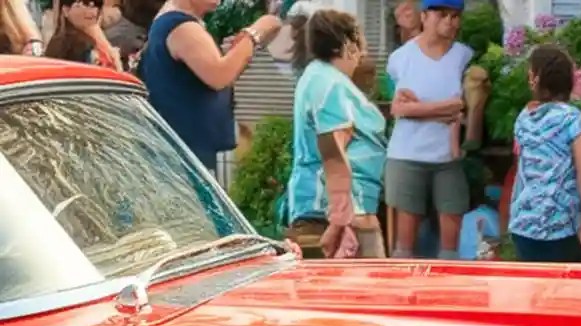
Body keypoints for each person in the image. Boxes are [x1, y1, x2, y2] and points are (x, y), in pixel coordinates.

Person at [283, 8, 388, 259]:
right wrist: (339, 222)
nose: (363, 53)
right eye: (359, 43)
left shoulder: (323, 79)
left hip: (346, 212)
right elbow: (333, 151)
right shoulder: (328, 84)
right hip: (333, 217)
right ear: (345, 43)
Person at [140, 0, 283, 171]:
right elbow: (220, 75)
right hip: (184, 154)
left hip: (181, 149)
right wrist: (254, 33)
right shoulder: (181, 26)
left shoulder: (174, 22)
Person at [385, 0, 471, 259]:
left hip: (447, 158)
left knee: (450, 246)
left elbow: (461, 106)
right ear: (424, 16)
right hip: (407, 155)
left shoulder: (463, 55)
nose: (449, 21)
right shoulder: (401, 58)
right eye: (442, 15)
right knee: (404, 247)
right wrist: (444, 110)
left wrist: (419, 109)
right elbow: (399, 109)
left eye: (455, 16)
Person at [508, 44, 581, 262]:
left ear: (535, 79)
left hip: (524, 222)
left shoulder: (524, 118)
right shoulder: (572, 119)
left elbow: (522, 167)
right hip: (561, 223)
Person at [45, 0, 122, 69]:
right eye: (84, 3)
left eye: (96, 4)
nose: (92, 10)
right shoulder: (72, 43)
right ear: (66, 10)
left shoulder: (94, 38)